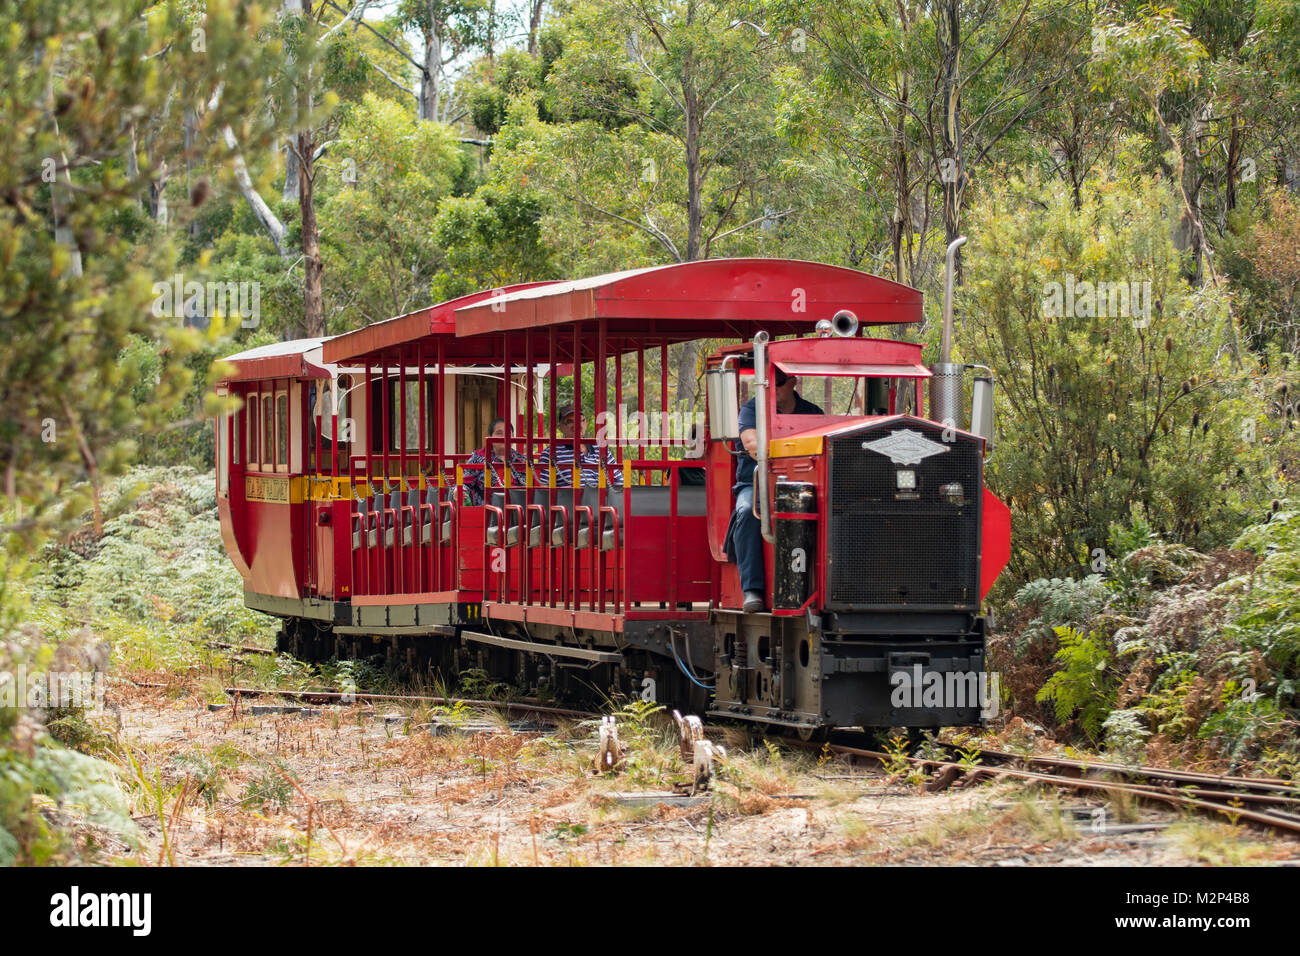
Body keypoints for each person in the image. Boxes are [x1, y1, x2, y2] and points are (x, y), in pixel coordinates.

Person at [729, 369, 822, 613]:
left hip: (808, 484)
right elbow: (752, 444)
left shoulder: (813, 413)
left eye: (778, 382)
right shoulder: (751, 409)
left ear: (793, 381)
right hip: (756, 483)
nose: (771, 387)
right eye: (767, 382)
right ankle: (752, 590)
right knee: (747, 511)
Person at [537, 403, 624, 489]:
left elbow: (619, 482)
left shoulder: (601, 449)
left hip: (600, 497)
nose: (576, 425)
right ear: (561, 428)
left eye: (579, 420)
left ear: (586, 423)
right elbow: (543, 489)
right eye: (570, 421)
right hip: (567, 498)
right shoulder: (550, 453)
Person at [463, 417, 528, 505]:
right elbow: (464, 483)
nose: (504, 437)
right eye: (499, 433)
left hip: (518, 508)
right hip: (487, 509)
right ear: (490, 437)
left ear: (513, 437)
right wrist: (461, 491)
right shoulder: (478, 458)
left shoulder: (521, 460)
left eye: (508, 433)